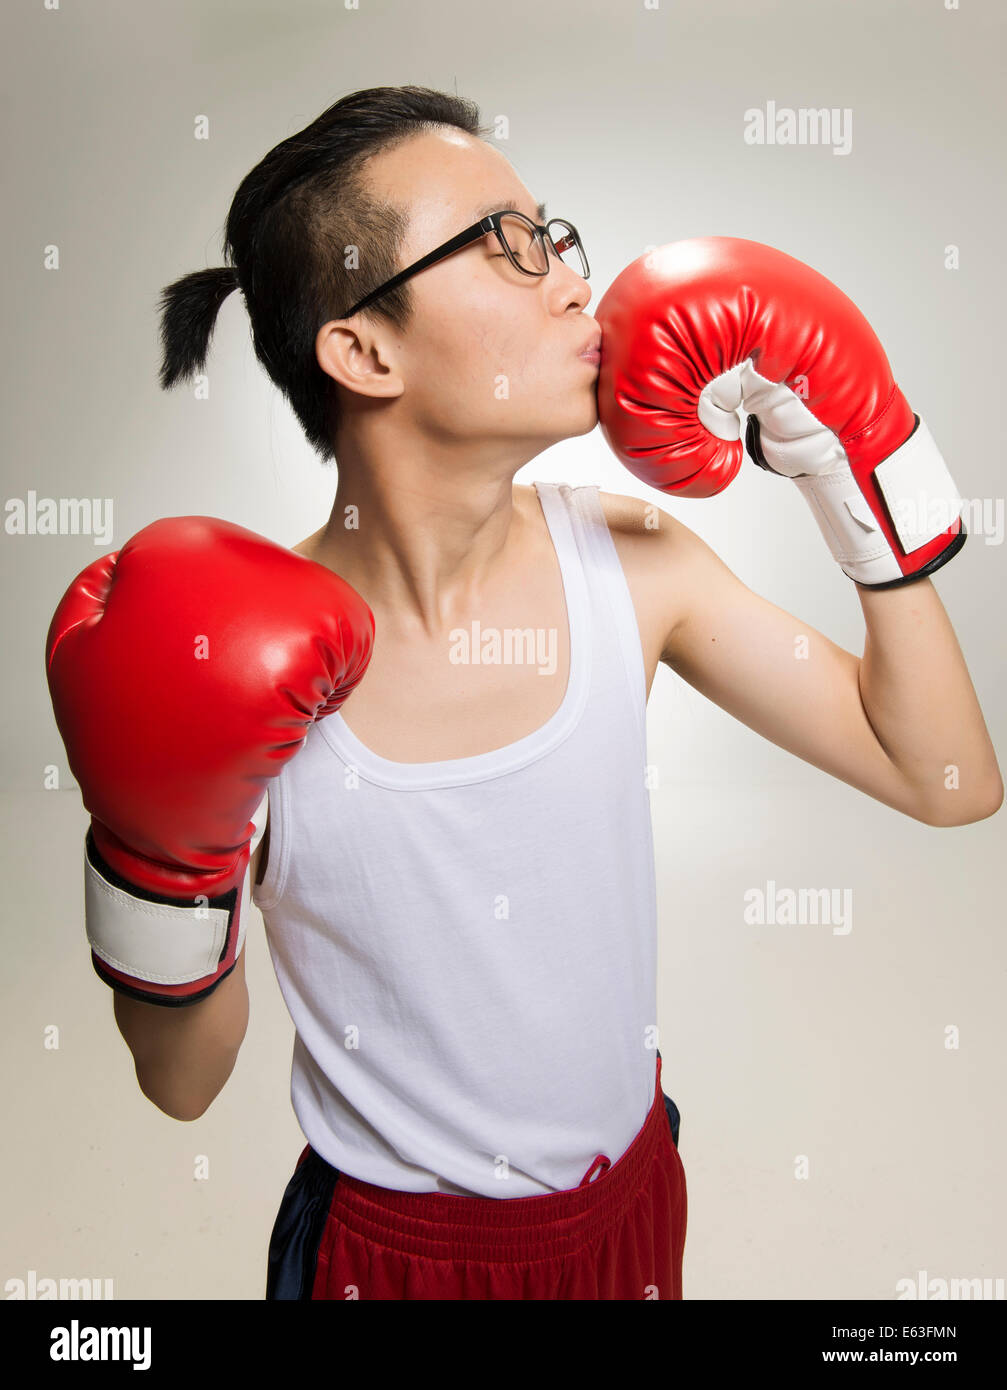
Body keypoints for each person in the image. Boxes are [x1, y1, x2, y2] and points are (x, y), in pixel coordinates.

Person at [46, 85, 1002, 1301]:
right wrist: (147, 855)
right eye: (503, 245)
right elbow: (180, 1083)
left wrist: (855, 470)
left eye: (551, 234)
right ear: (362, 346)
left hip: (631, 1204)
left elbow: (946, 779)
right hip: (388, 1259)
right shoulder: (232, 656)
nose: (565, 279)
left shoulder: (629, 558)